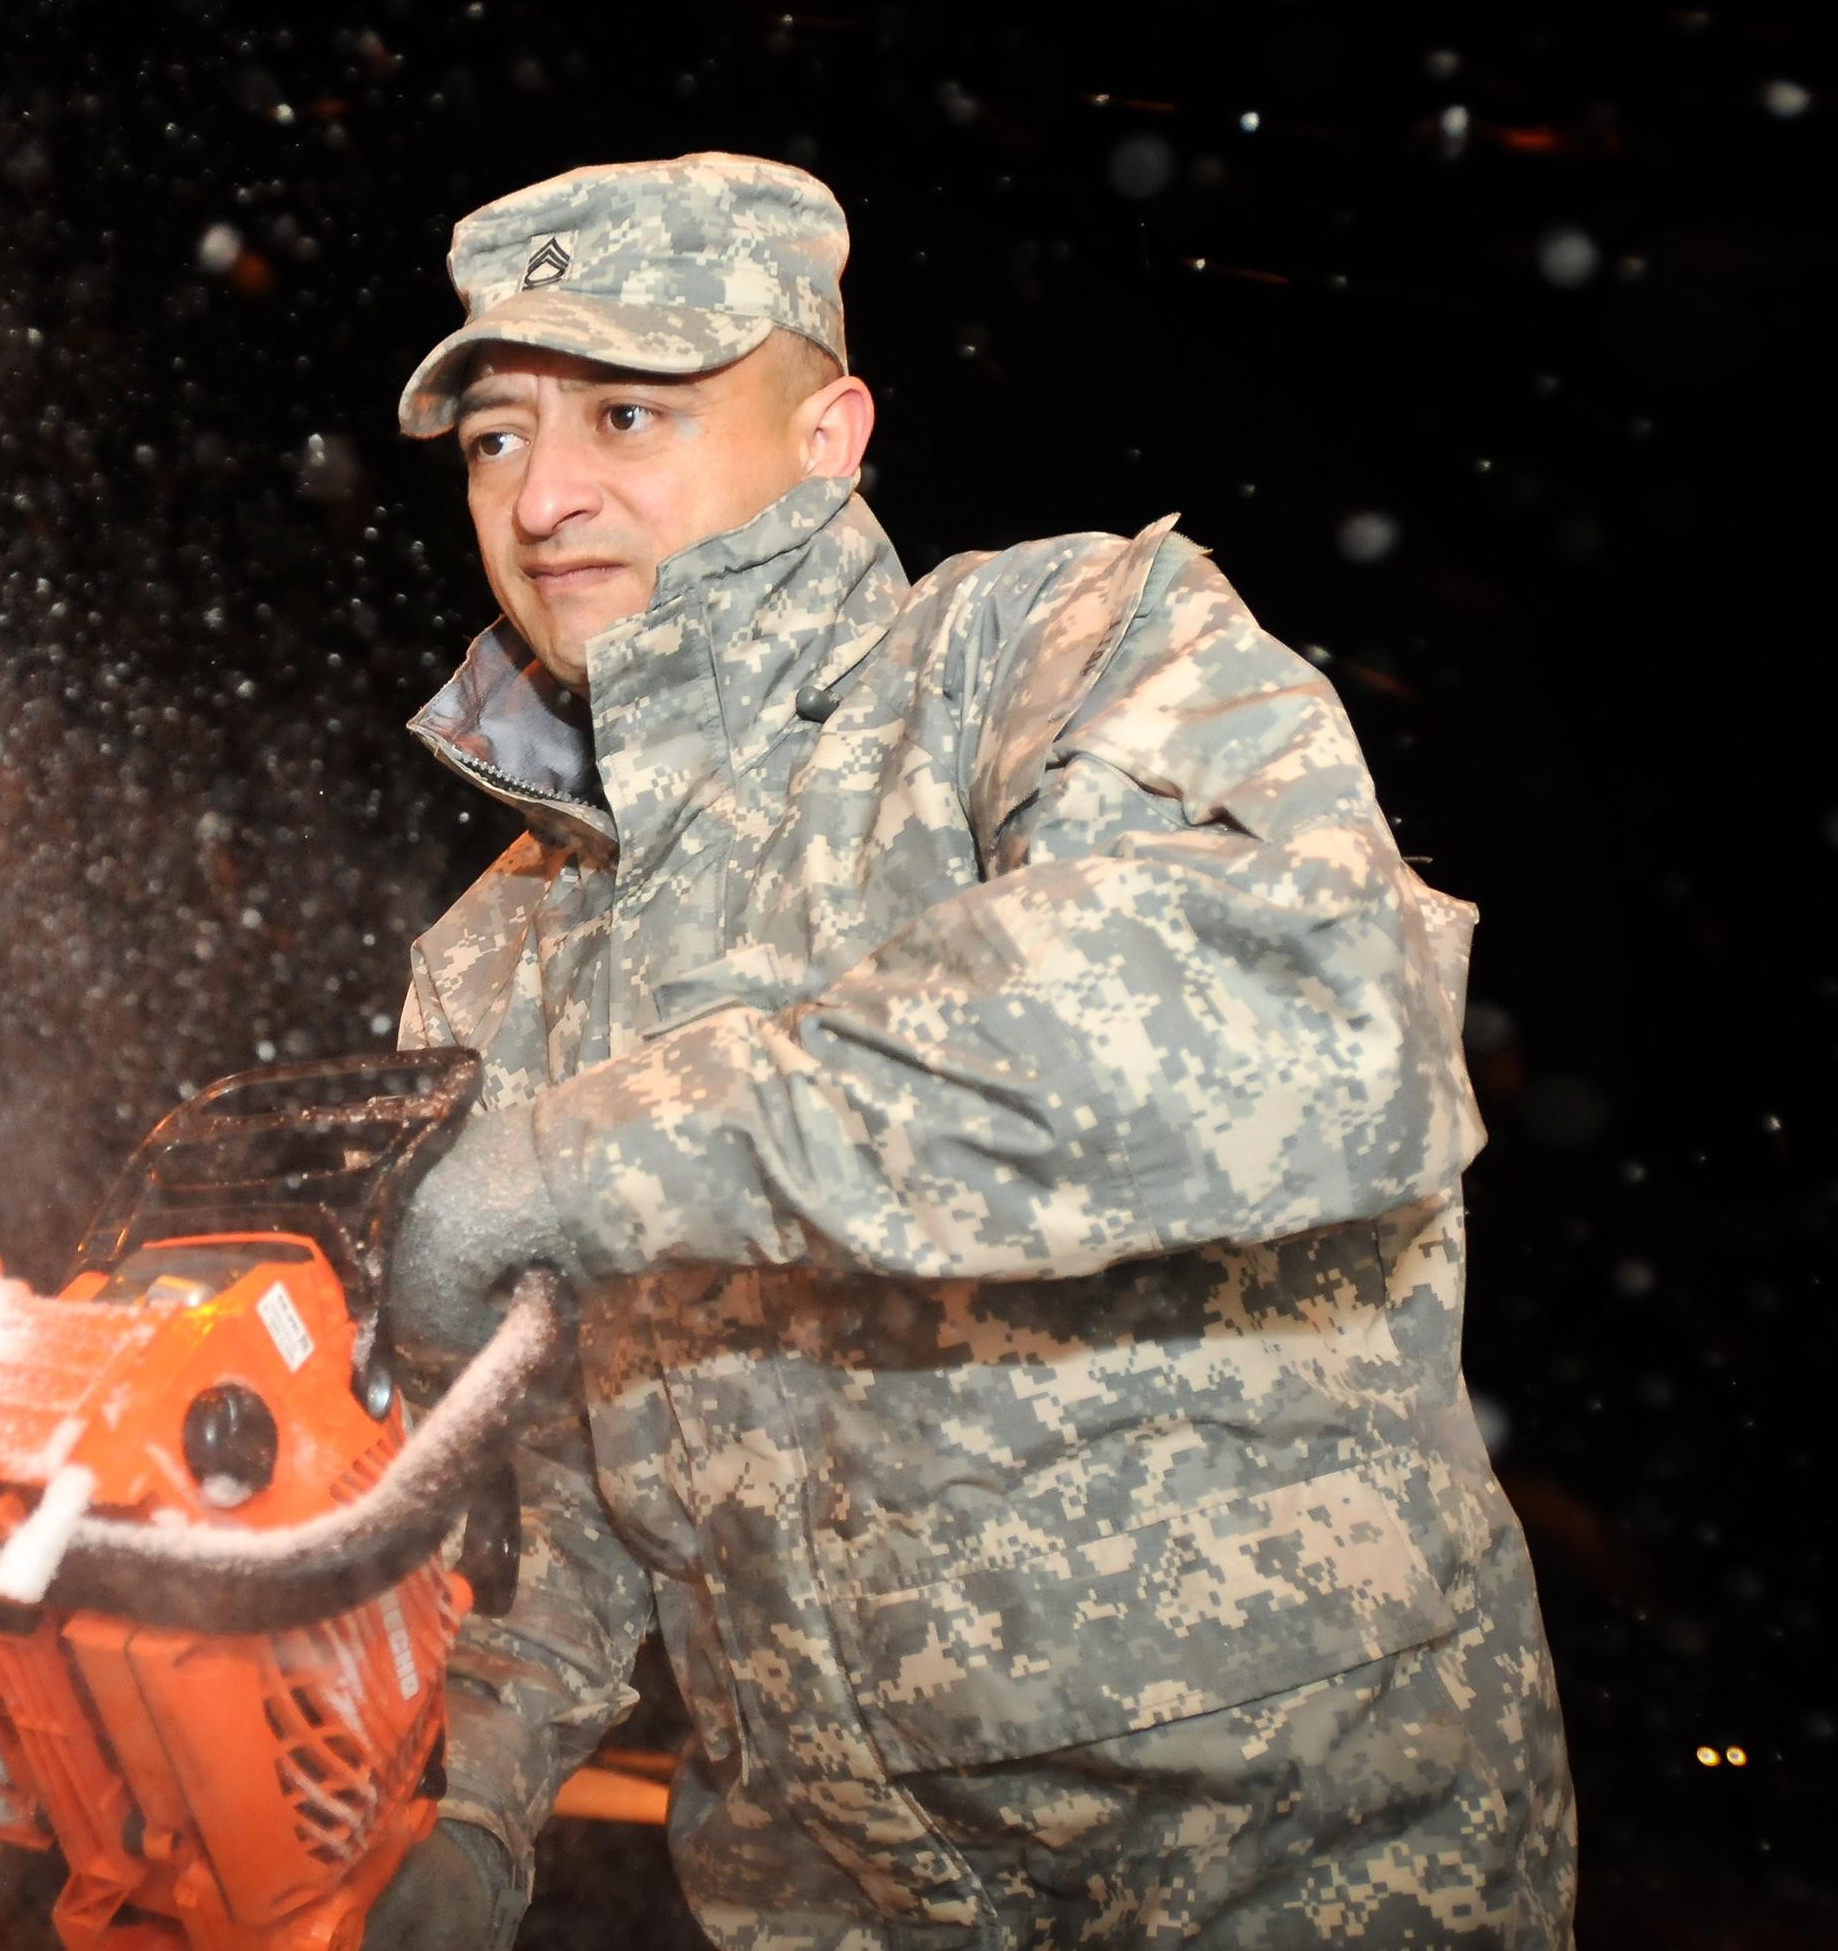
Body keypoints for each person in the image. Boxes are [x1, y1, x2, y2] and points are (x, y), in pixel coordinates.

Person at [365, 154, 1577, 1949]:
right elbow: (573, 1462)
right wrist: (475, 1797)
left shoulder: (1051, 657)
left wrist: (579, 1155)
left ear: (832, 431)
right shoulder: (504, 947)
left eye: (628, 410)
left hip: (1286, 1862)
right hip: (827, 1901)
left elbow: (1299, 1026)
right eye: (491, 439)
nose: (545, 495)